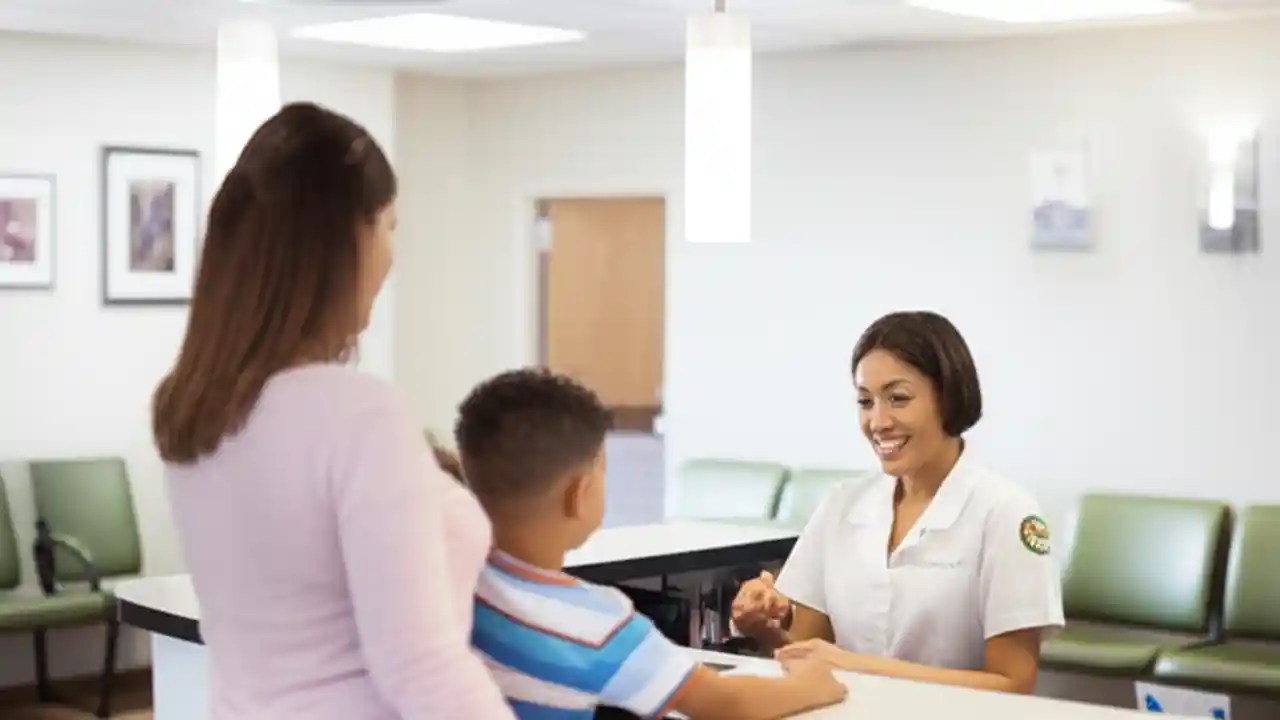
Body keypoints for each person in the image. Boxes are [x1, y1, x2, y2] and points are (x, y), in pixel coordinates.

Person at [152, 103, 513, 718]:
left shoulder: (193, 408)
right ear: (345, 237)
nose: (391, 256)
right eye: (390, 226)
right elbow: (422, 669)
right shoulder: (356, 414)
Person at [454, 368, 848, 719]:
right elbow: (725, 703)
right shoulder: (595, 620)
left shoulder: (447, 585)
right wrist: (812, 684)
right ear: (580, 493)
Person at [731, 311, 1064, 694]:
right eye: (865, 401)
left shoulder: (1006, 512)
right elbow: (804, 653)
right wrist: (762, 626)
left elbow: (1014, 684)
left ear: (949, 396)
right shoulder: (843, 504)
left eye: (898, 399)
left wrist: (856, 667)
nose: (878, 421)